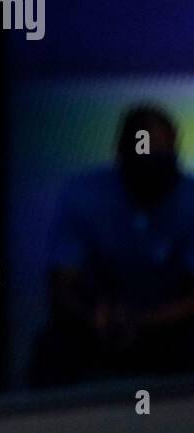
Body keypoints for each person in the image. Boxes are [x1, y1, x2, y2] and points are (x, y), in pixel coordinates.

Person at [34, 105, 194, 386]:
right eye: (144, 154)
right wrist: (95, 316)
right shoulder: (84, 195)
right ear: (120, 154)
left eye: (161, 154)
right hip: (97, 326)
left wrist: (142, 321)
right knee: (52, 352)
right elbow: (61, 281)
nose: (152, 165)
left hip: (173, 328)